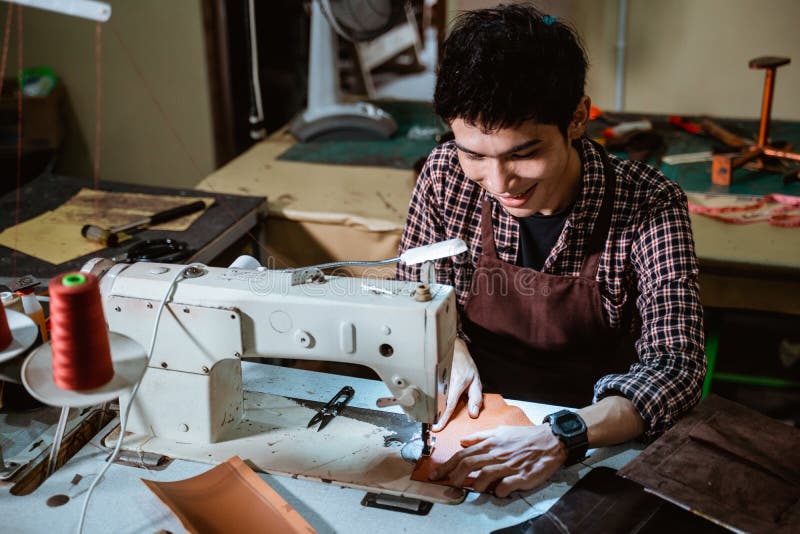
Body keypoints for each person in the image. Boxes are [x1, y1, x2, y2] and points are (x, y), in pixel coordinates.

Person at [396, 3, 706, 497]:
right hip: (475, 414)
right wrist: (447, 347)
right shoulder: (444, 176)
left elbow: (676, 367)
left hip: (598, 437)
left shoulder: (648, 204)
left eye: (525, 153)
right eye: (475, 153)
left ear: (578, 118)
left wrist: (562, 436)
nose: (499, 184)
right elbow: (411, 296)